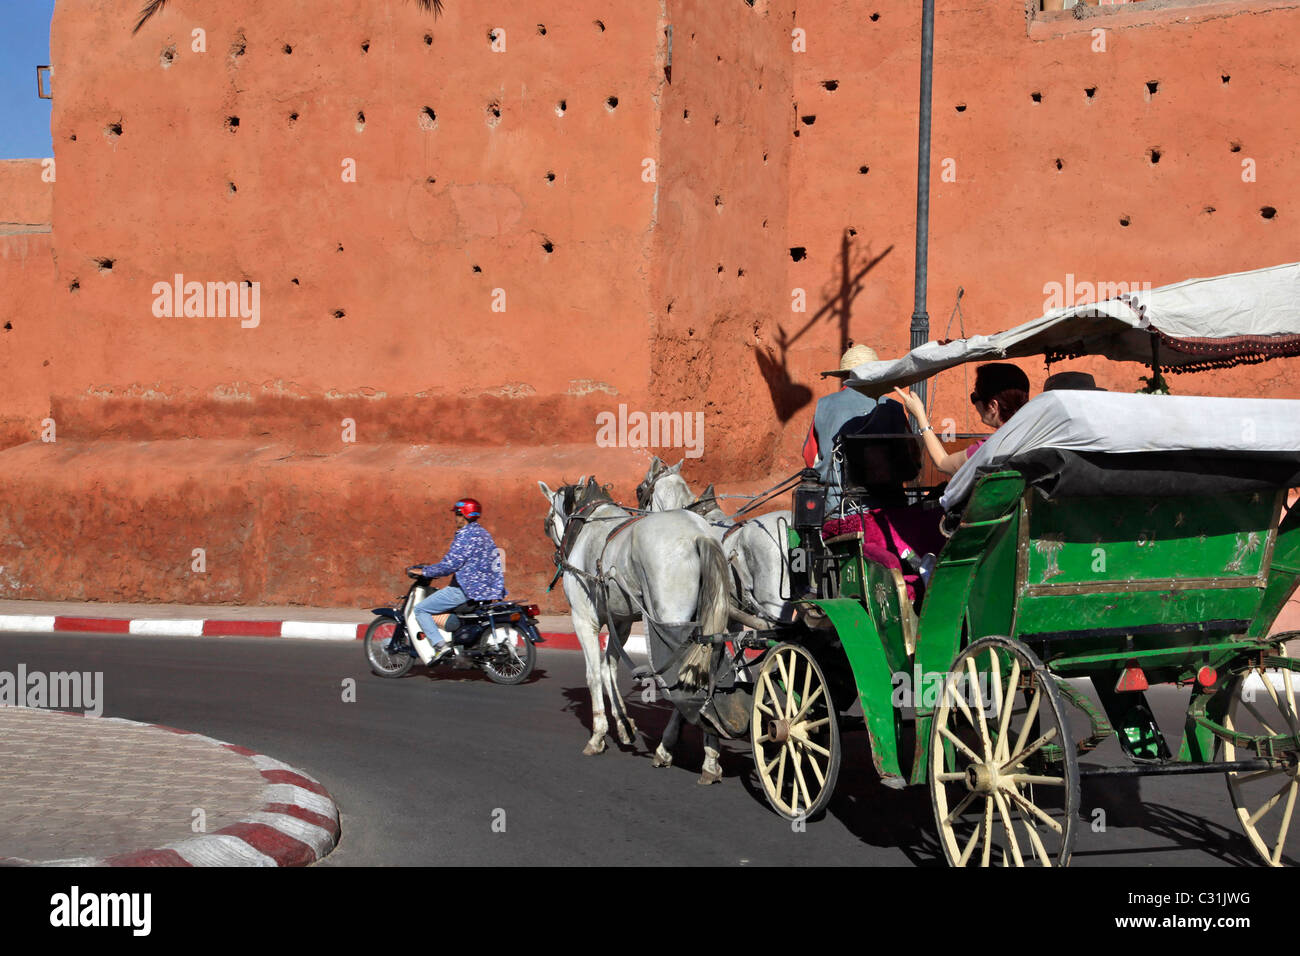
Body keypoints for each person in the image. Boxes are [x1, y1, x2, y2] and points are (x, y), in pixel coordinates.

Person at [891, 362, 1030, 476]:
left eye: (975, 397)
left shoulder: (991, 448)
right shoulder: (1036, 434)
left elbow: (942, 463)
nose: (975, 404)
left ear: (993, 406)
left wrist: (919, 414)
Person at [410, 498, 506, 660]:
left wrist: (424, 572)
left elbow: (449, 565)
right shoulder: (484, 534)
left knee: (420, 609)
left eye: (457, 514)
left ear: (463, 515)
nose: (455, 518)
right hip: (487, 591)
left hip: (465, 590)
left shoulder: (464, 536)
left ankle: (440, 646)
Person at [803, 343, 891, 516]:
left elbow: (810, 459)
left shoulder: (825, 405)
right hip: (890, 507)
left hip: (839, 507)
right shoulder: (893, 407)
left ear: (844, 376)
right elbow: (913, 461)